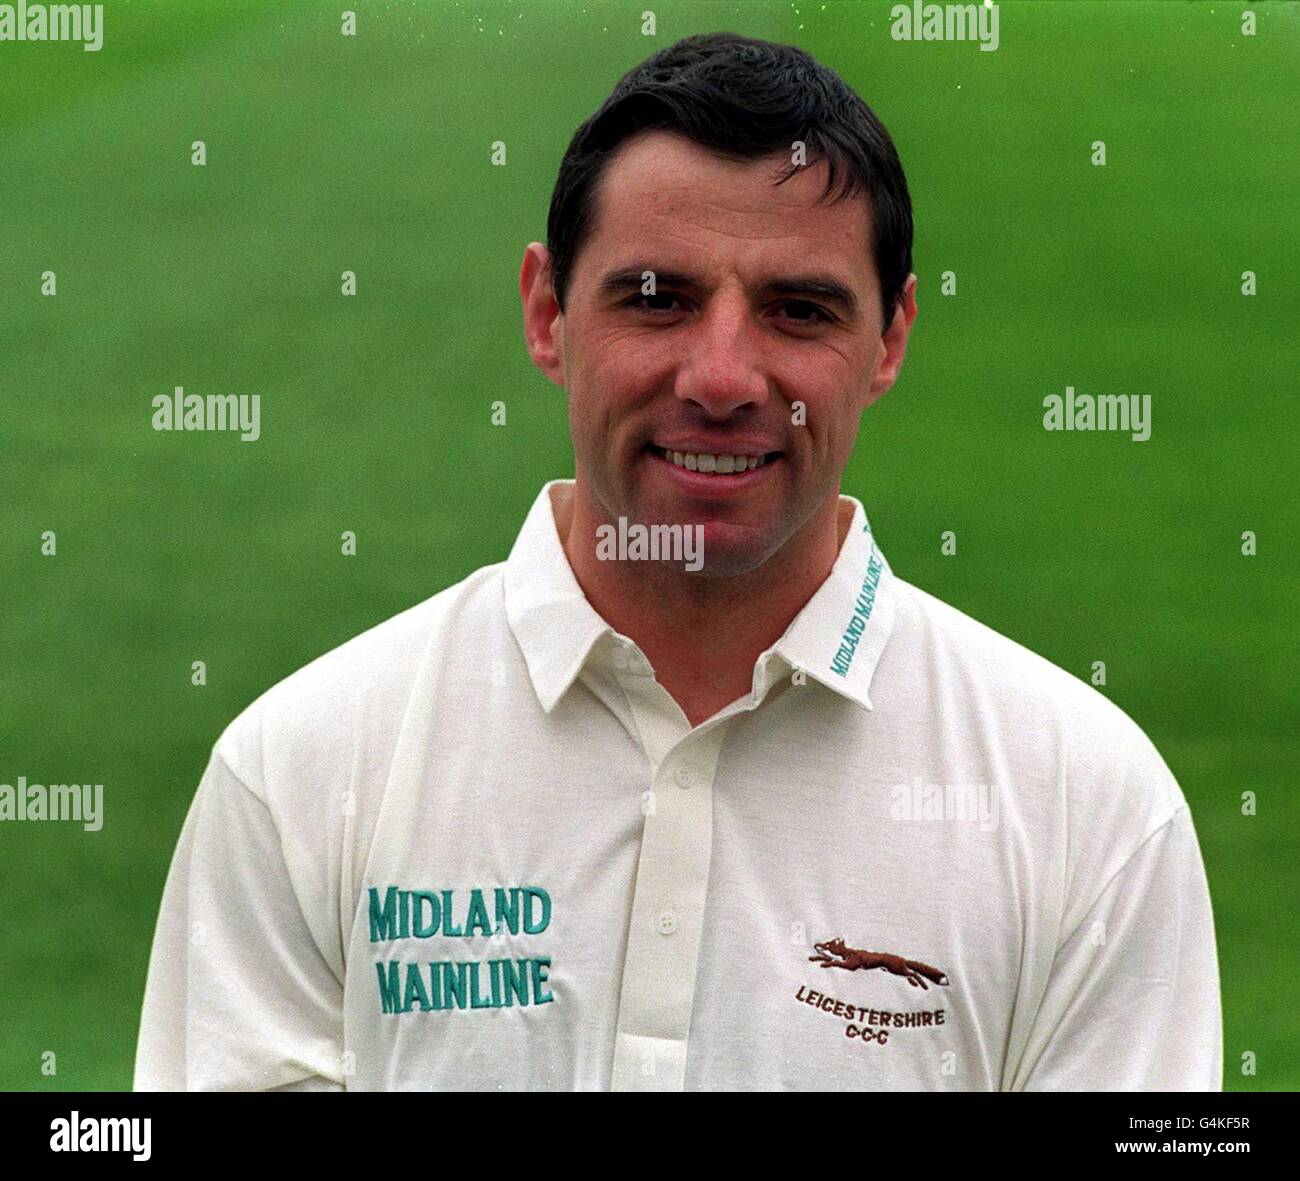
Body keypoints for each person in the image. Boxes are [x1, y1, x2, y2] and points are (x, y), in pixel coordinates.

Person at [134, 32, 1221, 1092]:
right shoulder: (302, 770)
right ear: (547, 311)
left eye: (798, 310)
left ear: (889, 339)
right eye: (656, 297)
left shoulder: (1089, 806)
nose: (721, 376)